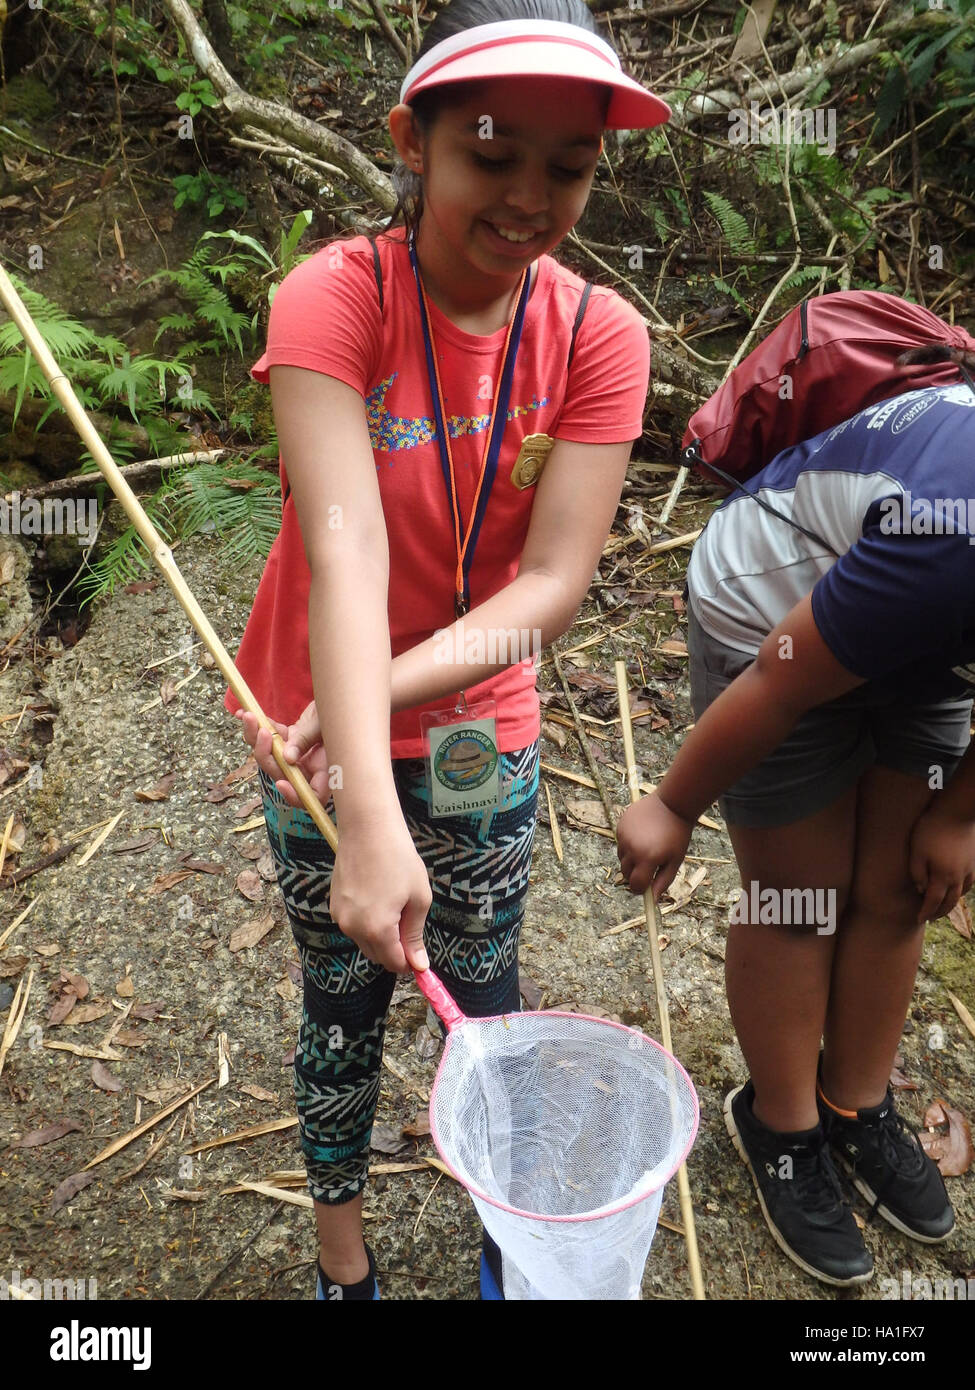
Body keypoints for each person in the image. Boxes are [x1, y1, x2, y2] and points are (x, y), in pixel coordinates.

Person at [228, 0, 670, 1300]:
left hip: (470, 724)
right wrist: (365, 794)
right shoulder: (334, 298)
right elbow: (344, 549)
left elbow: (548, 587)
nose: (530, 194)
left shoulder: (598, 336)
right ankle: (340, 1260)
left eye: (568, 165)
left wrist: (376, 709)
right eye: (490, 150)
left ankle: (513, 1237)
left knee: (480, 983)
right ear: (409, 141)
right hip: (317, 727)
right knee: (343, 991)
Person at [617, 376, 975, 1287]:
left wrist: (958, 813)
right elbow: (781, 681)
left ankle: (853, 1106)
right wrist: (673, 806)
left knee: (899, 887)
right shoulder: (948, 532)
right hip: (772, 609)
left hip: (929, 643)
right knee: (797, 897)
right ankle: (778, 1123)